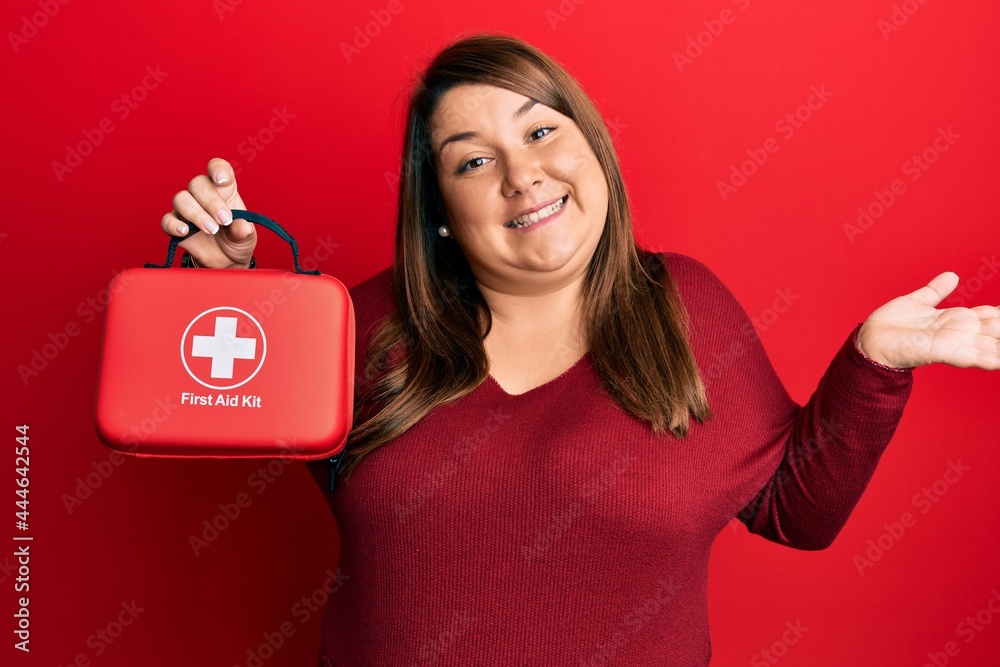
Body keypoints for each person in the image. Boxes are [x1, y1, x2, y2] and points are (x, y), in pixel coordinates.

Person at [160, 32, 999, 667]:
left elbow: (794, 512)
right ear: (441, 210)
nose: (521, 177)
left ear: (592, 146)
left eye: (540, 132)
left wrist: (874, 361)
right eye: (474, 159)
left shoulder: (685, 308)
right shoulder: (364, 323)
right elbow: (233, 409)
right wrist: (236, 292)